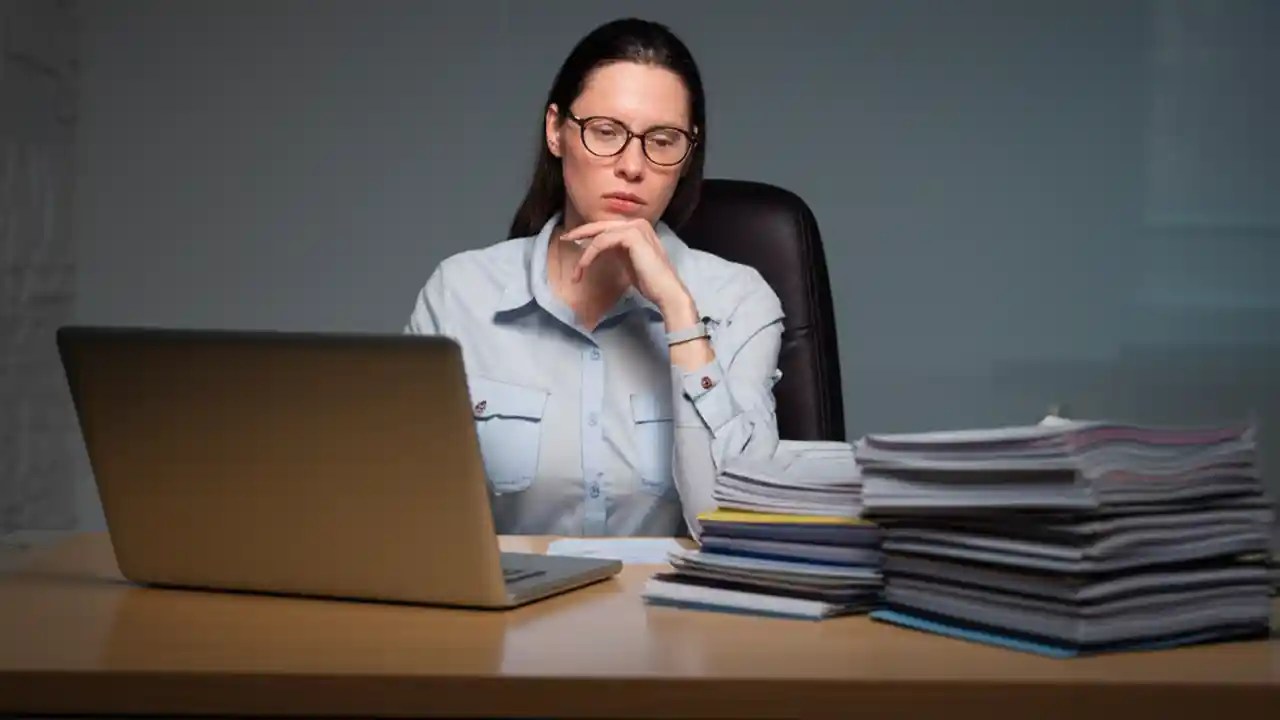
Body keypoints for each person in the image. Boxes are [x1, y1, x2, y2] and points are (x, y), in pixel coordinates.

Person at [404, 17, 784, 538]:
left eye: (663, 140)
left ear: (687, 155)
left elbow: (739, 530)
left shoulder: (740, 302)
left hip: (673, 616)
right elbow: (410, 517)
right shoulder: (460, 295)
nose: (632, 165)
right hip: (513, 615)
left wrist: (679, 312)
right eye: (606, 132)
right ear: (556, 131)